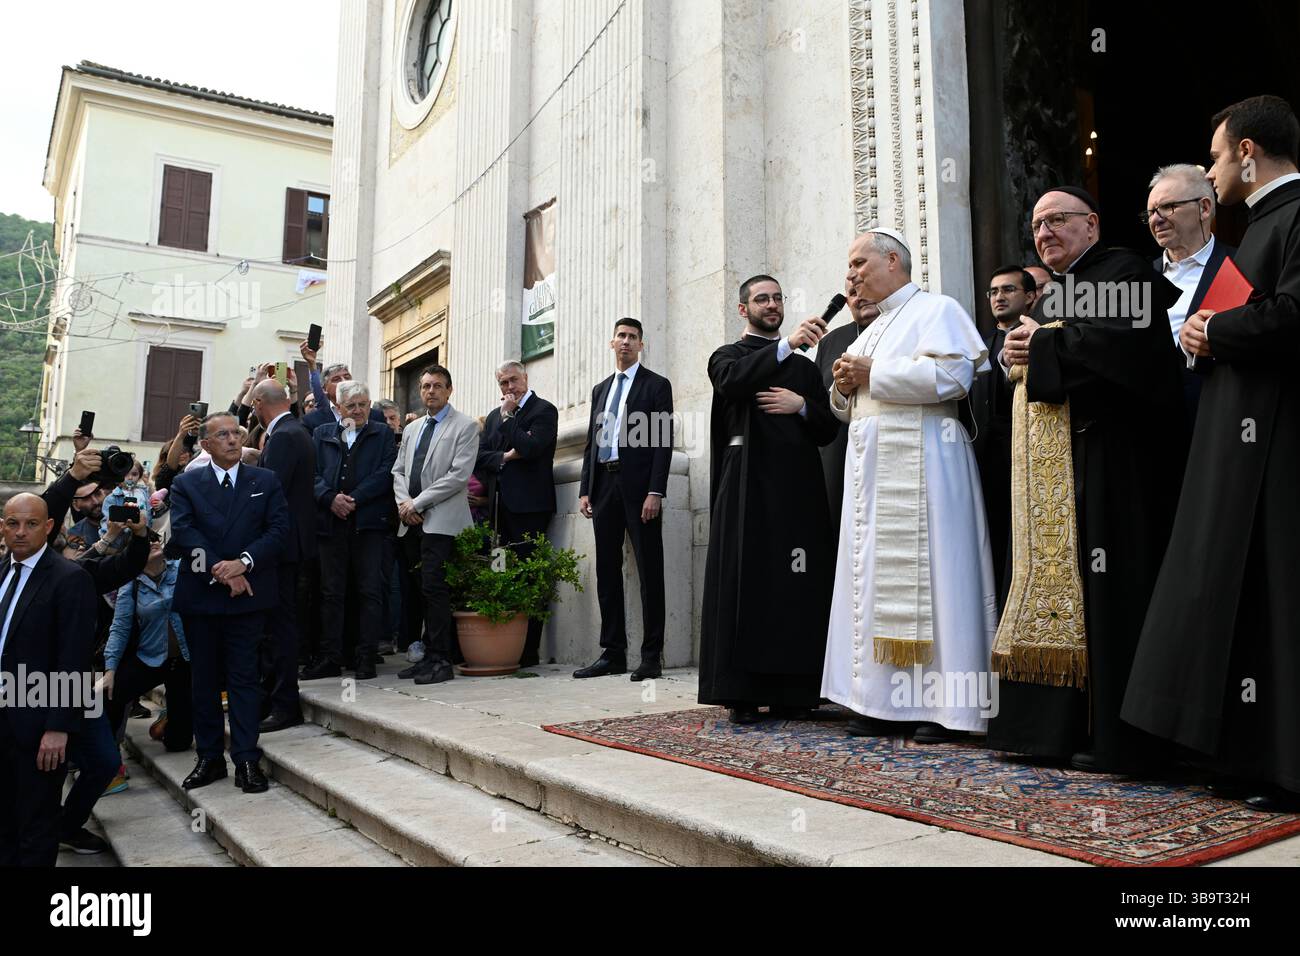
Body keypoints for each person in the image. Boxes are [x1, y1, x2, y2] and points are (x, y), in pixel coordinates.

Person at [1124, 95, 1300, 811]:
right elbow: (1234, 314)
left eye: (1220, 157)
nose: (1214, 169)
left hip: (1278, 445)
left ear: (1250, 155)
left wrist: (1214, 333)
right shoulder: (1258, 226)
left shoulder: (1294, 217)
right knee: (1245, 595)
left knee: (1279, 595)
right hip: (1238, 447)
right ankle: (1254, 755)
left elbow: (1289, 315)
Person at [990, 185, 1186, 774]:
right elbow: (1045, 364)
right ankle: (1055, 729)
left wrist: (1040, 345)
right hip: (1062, 469)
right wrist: (1015, 358)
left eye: (1057, 221)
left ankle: (1116, 736)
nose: (1044, 232)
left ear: (1092, 224)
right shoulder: (1055, 293)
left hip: (1115, 463)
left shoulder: (1122, 272)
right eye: (1036, 225)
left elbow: (1125, 354)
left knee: (1109, 590)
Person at [822, 230, 997, 741]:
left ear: (892, 259)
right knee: (870, 580)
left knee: (939, 575)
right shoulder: (870, 327)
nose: (850, 274)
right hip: (872, 473)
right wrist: (843, 386)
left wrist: (872, 371)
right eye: (848, 266)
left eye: (859, 262)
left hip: (928, 460)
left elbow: (953, 378)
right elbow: (849, 405)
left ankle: (945, 707)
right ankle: (878, 700)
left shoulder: (936, 309)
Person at [698, 274, 839, 723]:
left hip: (796, 489)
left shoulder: (802, 368)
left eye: (778, 297)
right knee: (747, 582)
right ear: (744, 309)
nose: (772, 304)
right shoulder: (728, 357)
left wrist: (801, 405)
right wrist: (787, 345)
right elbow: (732, 383)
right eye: (763, 299)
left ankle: (793, 692)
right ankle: (742, 693)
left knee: (794, 585)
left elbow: (827, 428)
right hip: (746, 487)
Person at [168, 412, 288, 794]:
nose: (234, 440)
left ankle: (247, 759)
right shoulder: (186, 483)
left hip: (248, 598)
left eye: (236, 433)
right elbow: (184, 533)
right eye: (223, 435)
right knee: (202, 681)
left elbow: (279, 530)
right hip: (202, 597)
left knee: (243, 678)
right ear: (206, 444)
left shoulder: (264, 480)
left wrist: (244, 564)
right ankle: (209, 757)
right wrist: (222, 572)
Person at [574, 318, 674, 680]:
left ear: (641, 345)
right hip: (604, 489)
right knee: (607, 572)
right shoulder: (601, 389)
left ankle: (651, 656)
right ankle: (613, 652)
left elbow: (663, 442)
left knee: (650, 572)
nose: (626, 342)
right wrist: (585, 488)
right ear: (611, 342)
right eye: (621, 336)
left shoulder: (656, 386)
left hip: (639, 490)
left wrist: (655, 491)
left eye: (633, 337)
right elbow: (590, 443)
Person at [0, 494, 97, 866]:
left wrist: (58, 727)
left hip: (39, 727)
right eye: (13, 523)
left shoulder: (70, 579)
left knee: (37, 828)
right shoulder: (2, 571)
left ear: (49, 526)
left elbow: (73, 660)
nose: (21, 532)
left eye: (31, 524)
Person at [392, 366, 479, 684]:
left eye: (438, 386)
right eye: (426, 386)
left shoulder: (465, 426)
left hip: (441, 521)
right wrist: (405, 505)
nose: (431, 391)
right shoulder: (413, 428)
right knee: (416, 592)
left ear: (449, 390)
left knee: (435, 588)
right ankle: (427, 655)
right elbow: (397, 471)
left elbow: (457, 477)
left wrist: (417, 503)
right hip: (410, 520)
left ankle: (442, 659)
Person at [305, 381, 398, 680]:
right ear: (339, 408)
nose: (357, 410)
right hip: (331, 524)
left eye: (362, 404)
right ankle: (331, 655)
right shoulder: (321, 434)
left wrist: (354, 499)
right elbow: (312, 473)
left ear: (369, 405)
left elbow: (385, 472)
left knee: (369, 591)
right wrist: (330, 498)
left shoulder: (382, 433)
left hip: (368, 524)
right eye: (351, 405)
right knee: (331, 592)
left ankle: (366, 656)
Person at [476, 361, 558, 667]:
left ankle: (528, 650)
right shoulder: (495, 416)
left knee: (529, 573)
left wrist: (511, 421)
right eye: (503, 384)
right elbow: (481, 457)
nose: (509, 388)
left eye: (513, 381)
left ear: (525, 377)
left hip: (530, 509)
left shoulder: (543, 410)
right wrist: (506, 456)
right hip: (499, 510)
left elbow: (533, 447)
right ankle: (504, 643)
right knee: (501, 571)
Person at [250, 379, 318, 731]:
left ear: (260, 403)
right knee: (275, 628)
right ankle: (270, 700)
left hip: (282, 548)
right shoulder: (294, 431)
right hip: (288, 546)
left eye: (251, 406)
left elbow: (267, 492)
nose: (251, 412)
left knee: (280, 629)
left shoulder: (286, 436)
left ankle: (284, 703)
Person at [1145, 163, 1236, 423]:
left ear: (1204, 208)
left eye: (1168, 207)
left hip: (1217, 421)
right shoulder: (1140, 276)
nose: (1156, 219)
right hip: (1152, 429)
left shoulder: (1240, 267)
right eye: (1151, 212)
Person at [971, 265, 1038, 605]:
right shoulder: (977, 348)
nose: (999, 297)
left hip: (1029, 458)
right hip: (985, 462)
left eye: (1008, 289)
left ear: (1030, 296)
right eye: (994, 291)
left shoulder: (1043, 337)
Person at [101, 532, 192, 749]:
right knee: (110, 695)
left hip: (184, 660)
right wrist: (110, 669)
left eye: (154, 539)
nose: (152, 543)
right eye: (144, 542)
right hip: (149, 658)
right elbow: (120, 628)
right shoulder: (130, 584)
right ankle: (107, 753)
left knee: (178, 743)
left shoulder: (182, 570)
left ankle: (168, 719)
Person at [814, 274, 880, 533]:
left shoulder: (901, 326)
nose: (859, 297)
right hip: (839, 448)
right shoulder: (831, 340)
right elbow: (821, 398)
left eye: (864, 289)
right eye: (852, 294)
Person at [298, 341, 387, 431]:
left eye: (347, 377)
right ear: (324, 389)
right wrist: (311, 364)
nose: (344, 382)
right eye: (336, 379)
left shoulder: (376, 416)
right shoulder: (312, 421)